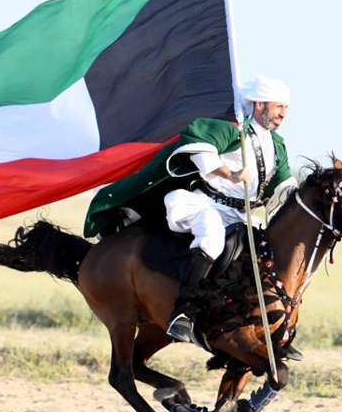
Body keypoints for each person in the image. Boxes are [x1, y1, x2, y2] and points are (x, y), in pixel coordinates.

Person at [82, 75, 300, 356]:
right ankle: (183, 312)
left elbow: (284, 188)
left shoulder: (276, 144)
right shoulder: (232, 129)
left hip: (238, 214)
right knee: (211, 238)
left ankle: (254, 324)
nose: (283, 113)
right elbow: (201, 148)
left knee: (266, 249)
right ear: (259, 105)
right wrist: (230, 173)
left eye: (286, 108)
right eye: (278, 106)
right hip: (205, 205)